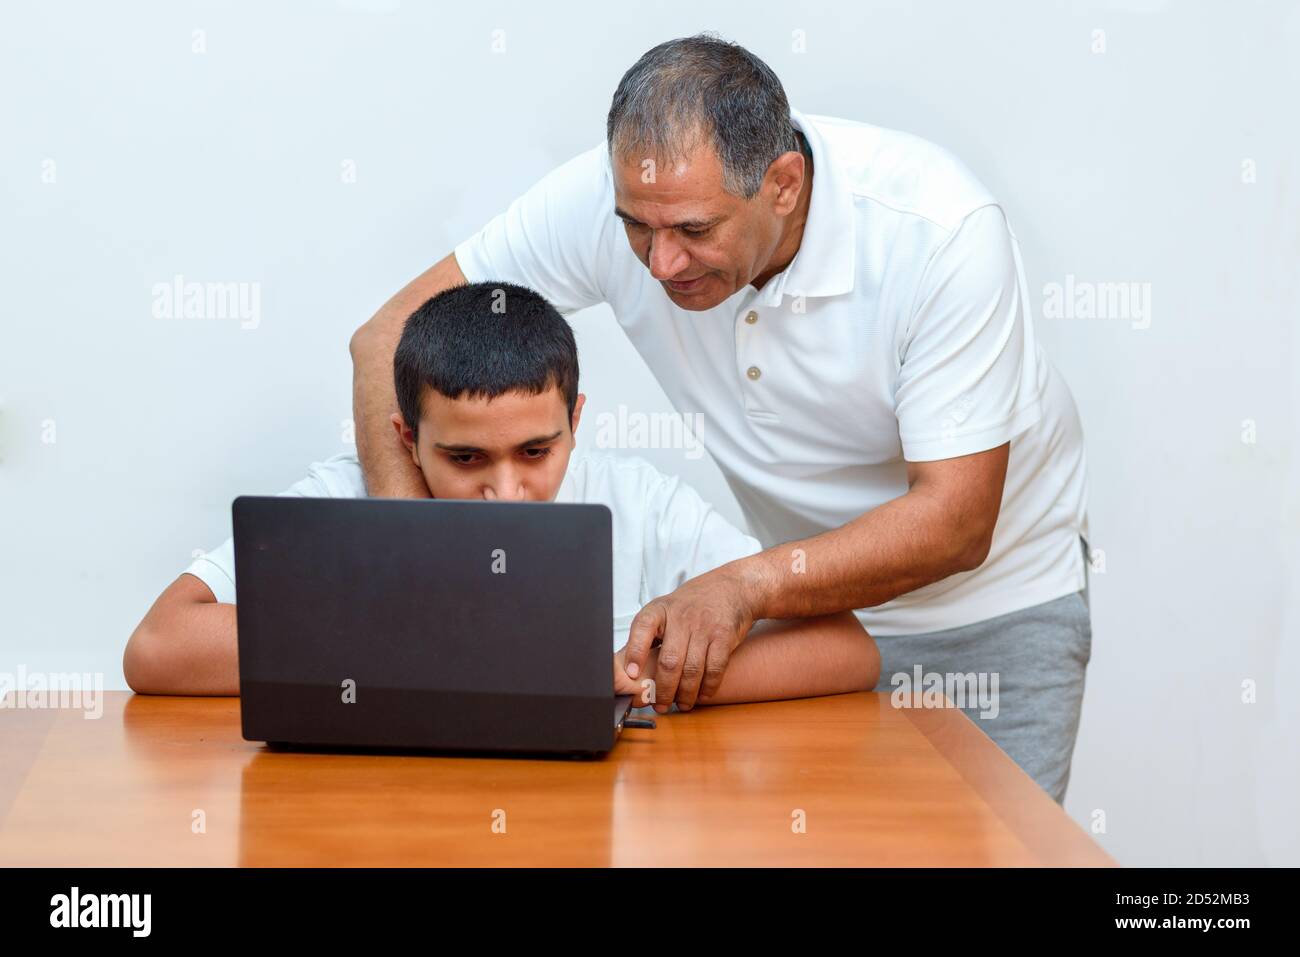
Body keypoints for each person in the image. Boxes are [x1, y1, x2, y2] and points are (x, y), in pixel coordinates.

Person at [347, 35, 1091, 802]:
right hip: (802, 634)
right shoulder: (632, 199)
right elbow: (385, 337)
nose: (660, 262)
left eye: (696, 232)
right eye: (639, 227)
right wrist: (424, 563)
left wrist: (745, 585)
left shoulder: (940, 233)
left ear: (784, 184)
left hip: (994, 613)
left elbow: (957, 522)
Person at [124, 282, 880, 704]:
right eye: (463, 457)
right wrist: (482, 661)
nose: (507, 491)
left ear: (575, 422)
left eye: (535, 451)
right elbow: (159, 646)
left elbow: (845, 651)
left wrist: (626, 676)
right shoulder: (348, 494)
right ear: (405, 439)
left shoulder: (637, 501)